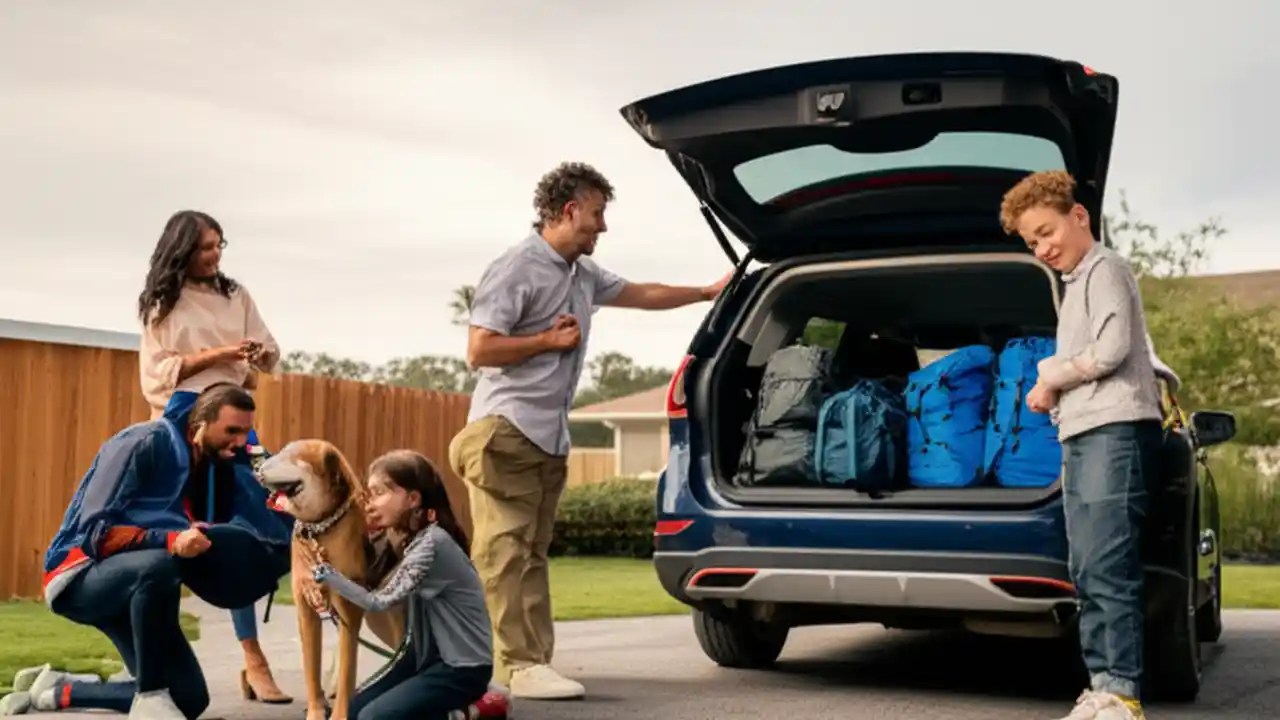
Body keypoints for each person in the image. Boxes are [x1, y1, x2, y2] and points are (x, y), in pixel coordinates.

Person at [447, 161, 731, 699]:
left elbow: (642, 293)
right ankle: (517, 662)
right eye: (597, 214)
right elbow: (479, 349)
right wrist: (545, 343)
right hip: (505, 429)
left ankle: (530, 664)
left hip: (546, 436)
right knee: (504, 552)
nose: (603, 226)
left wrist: (703, 293)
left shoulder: (581, 273)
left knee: (531, 552)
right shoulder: (516, 268)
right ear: (570, 209)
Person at [1001, 170, 1163, 720]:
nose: (1043, 248)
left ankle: (1121, 694)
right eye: (1032, 242)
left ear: (1078, 217)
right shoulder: (1074, 284)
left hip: (1114, 433)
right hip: (1085, 434)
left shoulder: (1105, 268)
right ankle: (1103, 687)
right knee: (1089, 567)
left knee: (1108, 565)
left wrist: (1049, 377)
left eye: (1047, 233)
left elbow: (1114, 348)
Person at [29, 384, 292, 719]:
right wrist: (170, 541)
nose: (240, 441)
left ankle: (59, 689)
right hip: (80, 577)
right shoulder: (143, 442)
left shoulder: (210, 468)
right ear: (199, 426)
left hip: (147, 588)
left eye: (245, 432)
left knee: (189, 699)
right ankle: (149, 696)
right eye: (232, 431)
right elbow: (95, 536)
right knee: (161, 563)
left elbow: (266, 499)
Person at [135, 209, 292, 704]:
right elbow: (158, 374)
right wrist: (220, 353)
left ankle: (254, 660)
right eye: (206, 247)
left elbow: (270, 352)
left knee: (253, 523)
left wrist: (257, 353)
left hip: (234, 420)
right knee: (178, 535)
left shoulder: (234, 295)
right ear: (181, 247)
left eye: (221, 245)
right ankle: (151, 665)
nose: (216, 255)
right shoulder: (162, 302)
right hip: (180, 423)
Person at [307, 450, 509, 720]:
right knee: (351, 712)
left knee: (374, 718)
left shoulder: (432, 544)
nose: (370, 504)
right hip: (420, 659)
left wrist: (327, 575)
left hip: (461, 668)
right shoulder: (403, 539)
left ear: (413, 499)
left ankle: (470, 713)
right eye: (369, 494)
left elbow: (377, 601)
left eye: (379, 493)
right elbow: (364, 580)